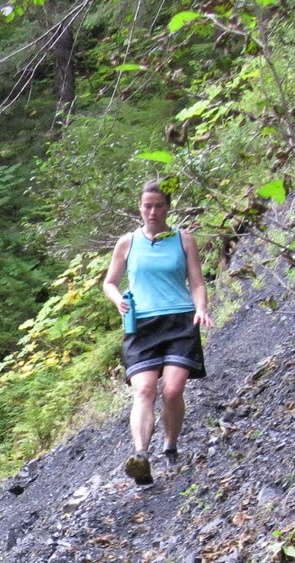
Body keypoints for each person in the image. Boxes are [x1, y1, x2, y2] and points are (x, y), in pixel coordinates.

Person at [101, 181, 212, 486]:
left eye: (158, 205)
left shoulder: (184, 240)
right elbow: (109, 282)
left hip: (179, 320)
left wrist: (200, 308)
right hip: (142, 324)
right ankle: (141, 456)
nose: (152, 211)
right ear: (140, 208)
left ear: (168, 207)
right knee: (144, 390)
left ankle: (171, 445)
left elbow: (197, 282)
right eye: (147, 206)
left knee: (173, 391)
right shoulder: (127, 242)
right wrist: (118, 299)